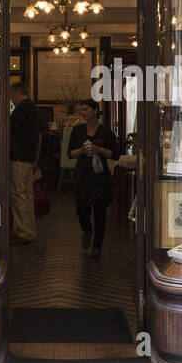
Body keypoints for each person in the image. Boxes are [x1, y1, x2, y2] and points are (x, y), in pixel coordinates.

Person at [67, 98, 120, 258]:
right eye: (82, 110)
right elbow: (70, 153)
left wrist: (98, 149)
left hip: (99, 176)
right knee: (81, 208)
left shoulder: (105, 132)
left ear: (95, 111)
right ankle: (87, 230)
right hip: (83, 174)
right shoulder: (78, 131)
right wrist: (83, 150)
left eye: (86, 109)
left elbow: (114, 154)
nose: (83, 112)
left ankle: (97, 245)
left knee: (100, 211)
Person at [8, 80, 40, 244]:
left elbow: (10, 127)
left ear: (17, 92)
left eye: (12, 95)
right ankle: (27, 229)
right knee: (26, 195)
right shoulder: (31, 107)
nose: (11, 98)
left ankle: (24, 232)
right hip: (27, 157)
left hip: (19, 157)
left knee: (19, 195)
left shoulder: (23, 108)